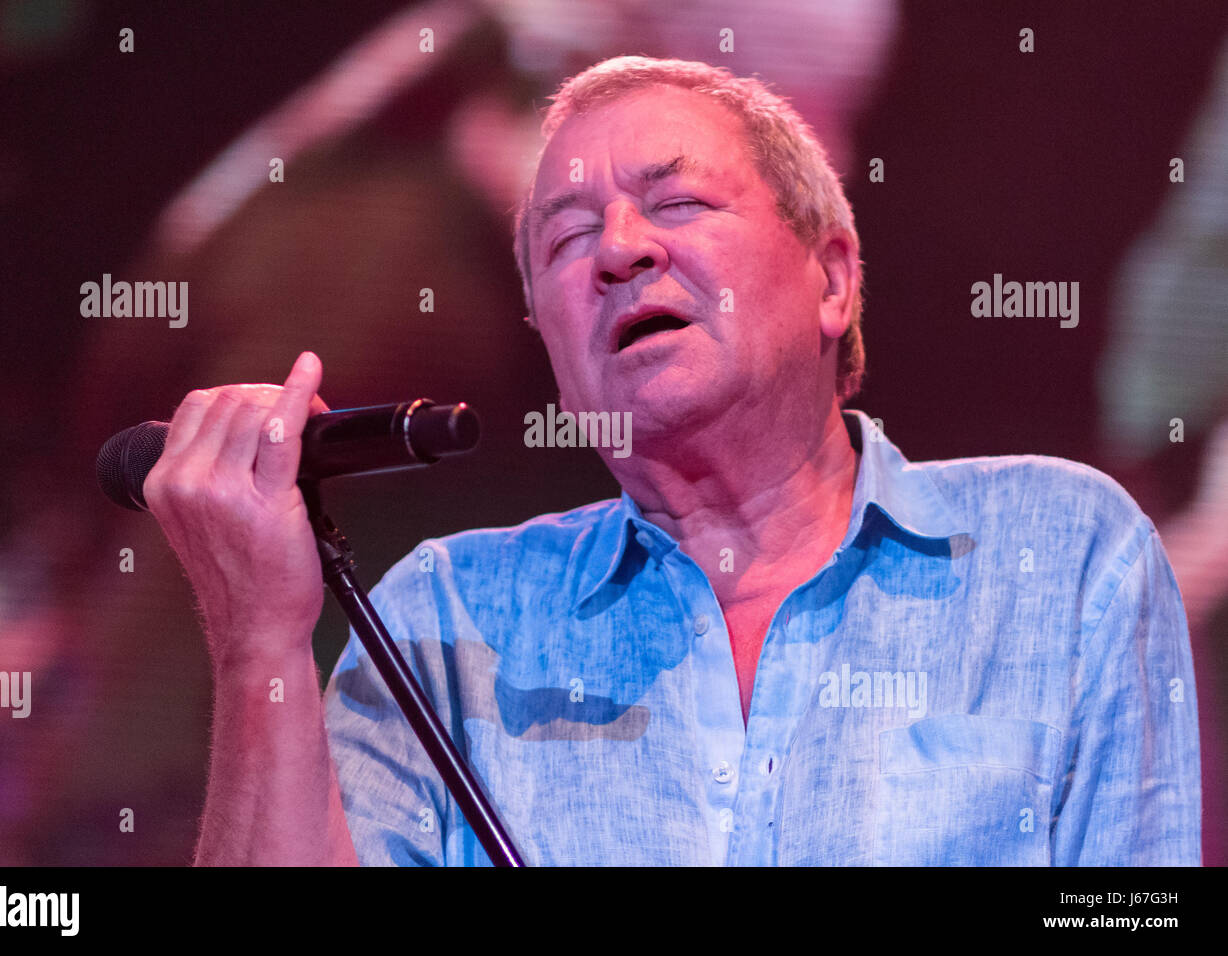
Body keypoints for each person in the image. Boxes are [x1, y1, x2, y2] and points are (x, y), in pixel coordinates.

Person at [143, 56, 1201, 866]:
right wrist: (257, 640)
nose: (617, 248)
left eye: (679, 202)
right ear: (549, 347)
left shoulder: (1059, 553)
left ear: (833, 278)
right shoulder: (447, 621)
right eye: (563, 242)